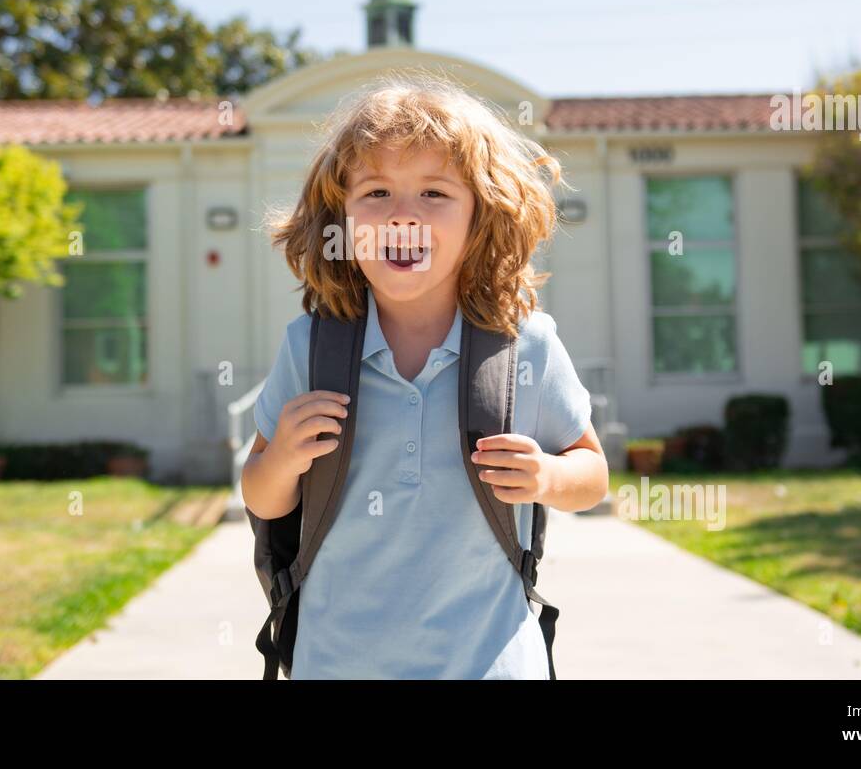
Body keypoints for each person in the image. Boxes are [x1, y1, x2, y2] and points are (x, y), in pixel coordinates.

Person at [241, 74, 608, 679]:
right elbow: (260, 494)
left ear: (480, 217)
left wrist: (547, 476)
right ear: (341, 220)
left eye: (435, 194)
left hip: (490, 665)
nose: (403, 215)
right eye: (377, 193)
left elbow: (591, 475)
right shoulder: (309, 348)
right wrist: (281, 458)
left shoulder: (526, 346)